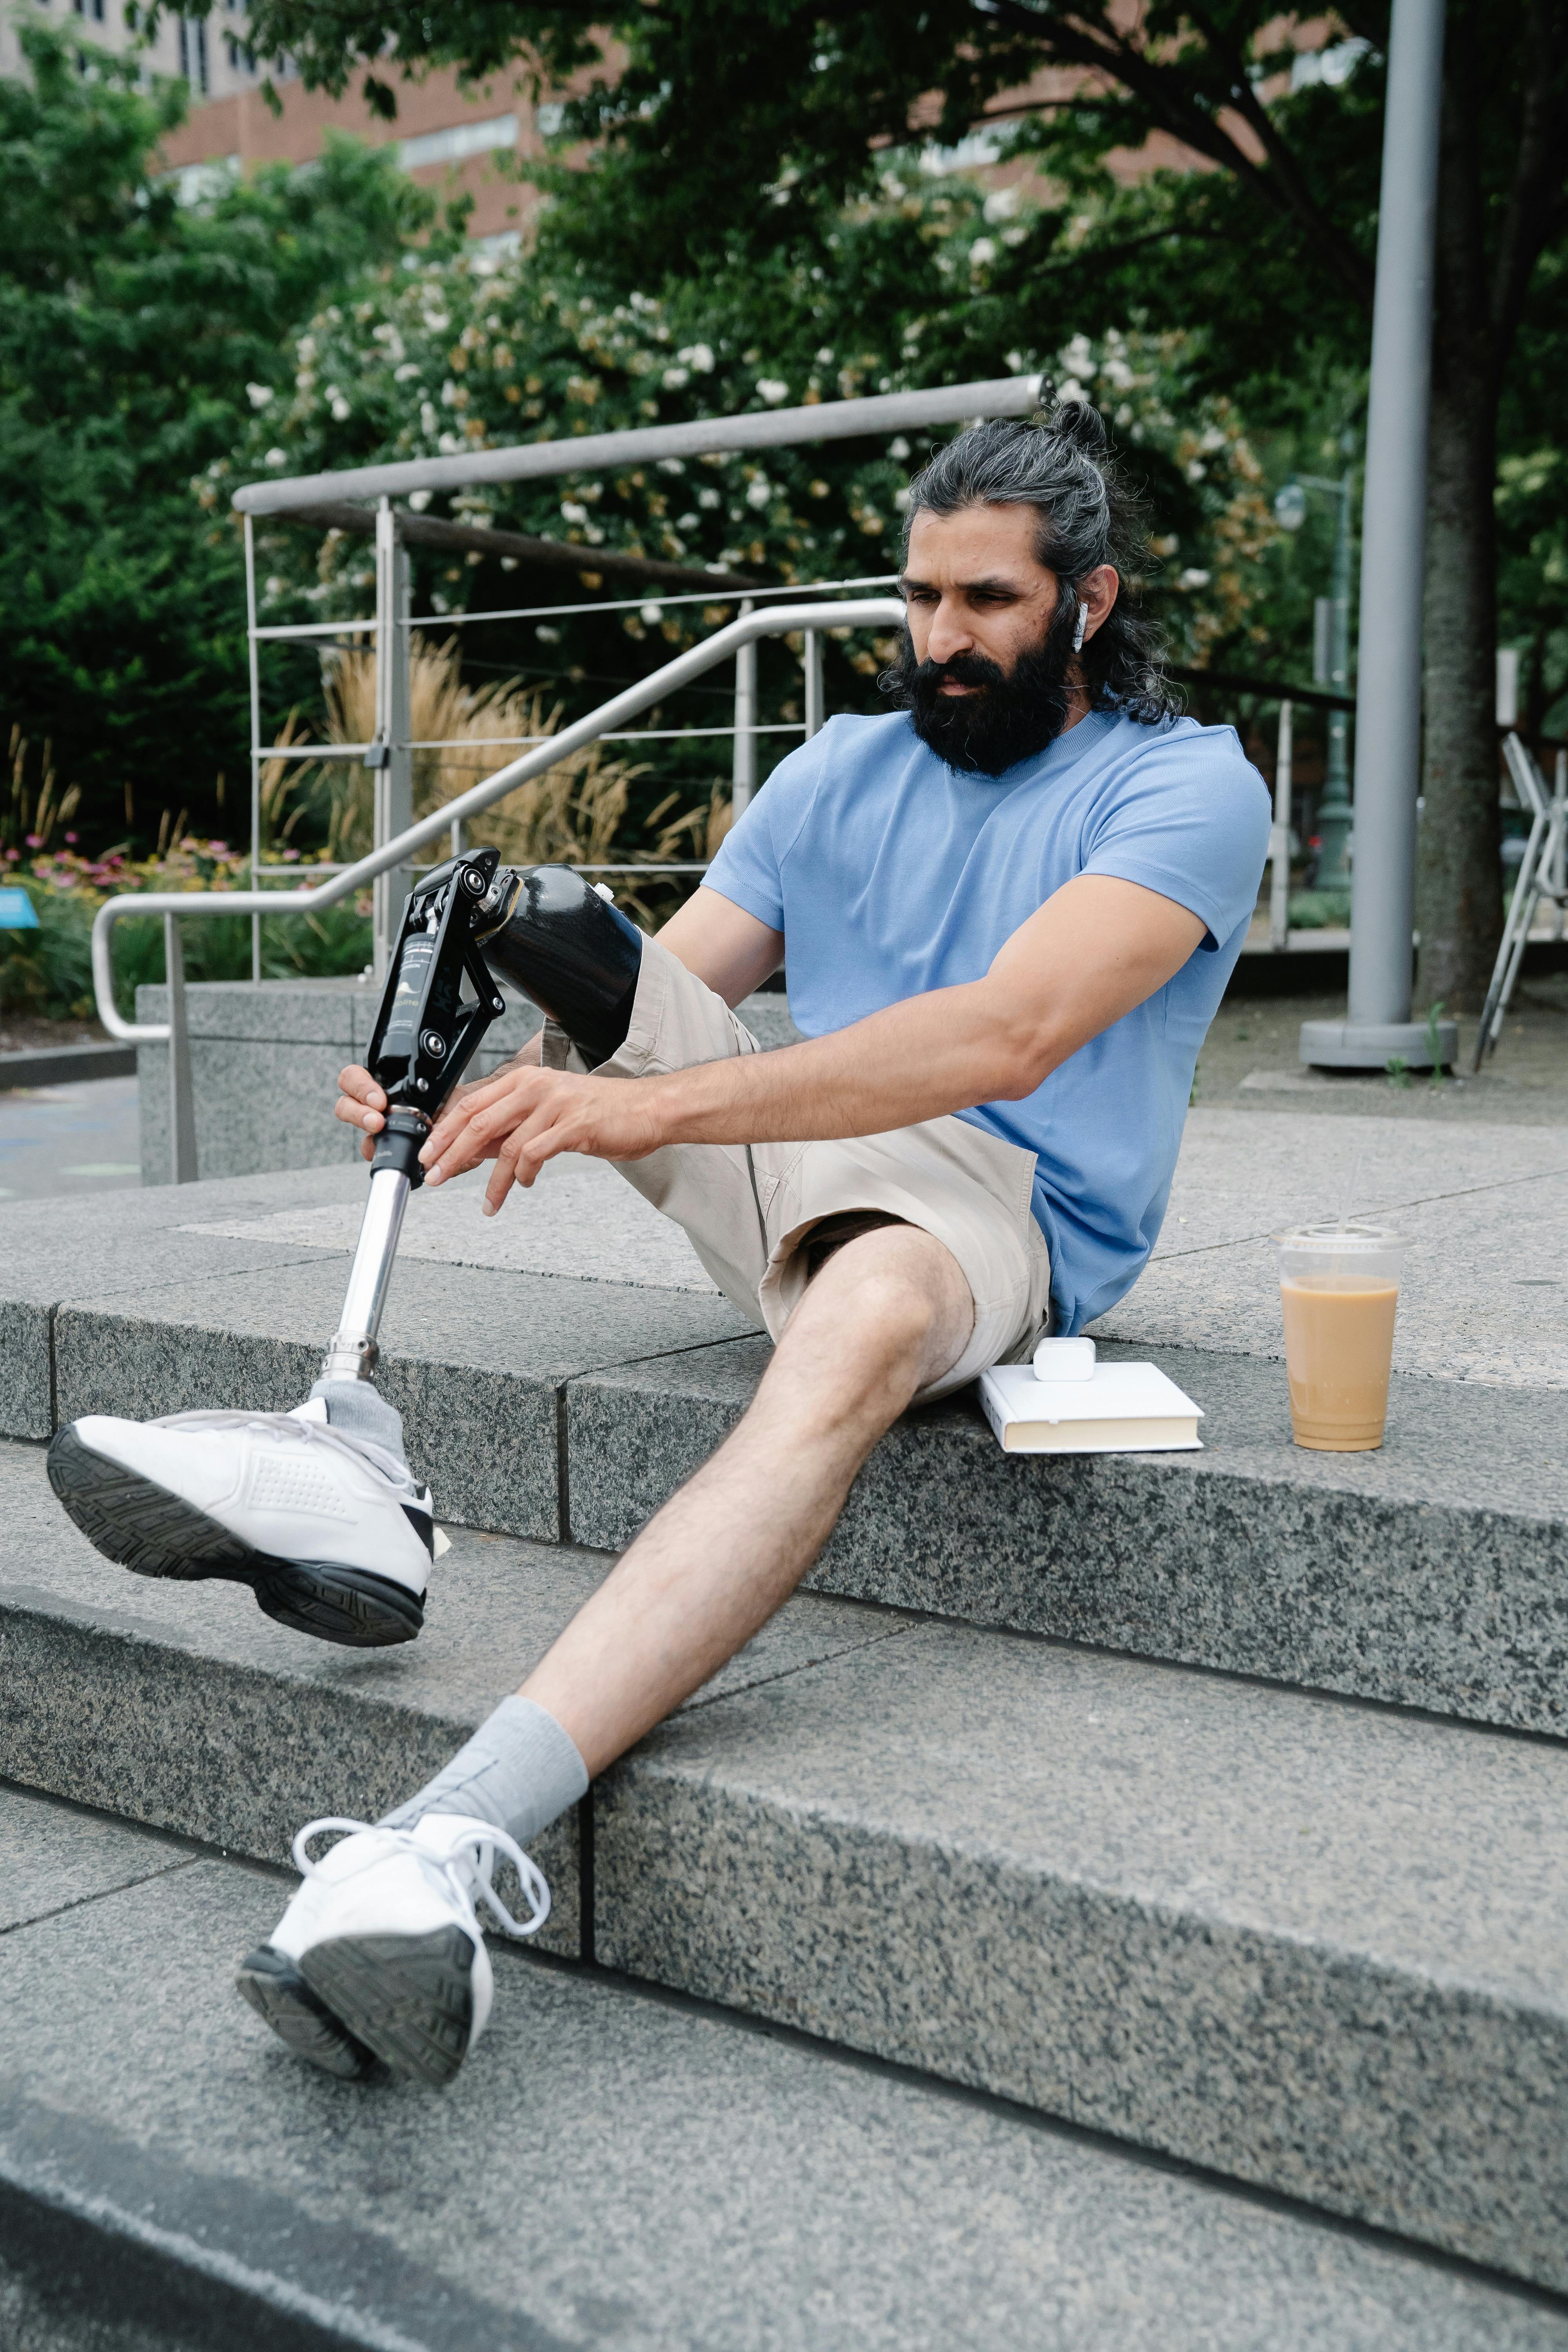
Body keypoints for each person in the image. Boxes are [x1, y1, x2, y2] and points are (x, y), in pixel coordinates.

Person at [47, 406, 1270, 2086]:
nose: (940, 639)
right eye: (917, 599)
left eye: (986, 602)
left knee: (867, 1308)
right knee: (524, 914)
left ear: (1090, 600)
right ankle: (350, 1442)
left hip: (1000, 1207)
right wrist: (481, 1093)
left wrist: (650, 1109)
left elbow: (1005, 1038)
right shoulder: (839, 766)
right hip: (790, 1141)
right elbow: (657, 1004)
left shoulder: (1184, 786)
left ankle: (441, 1843)